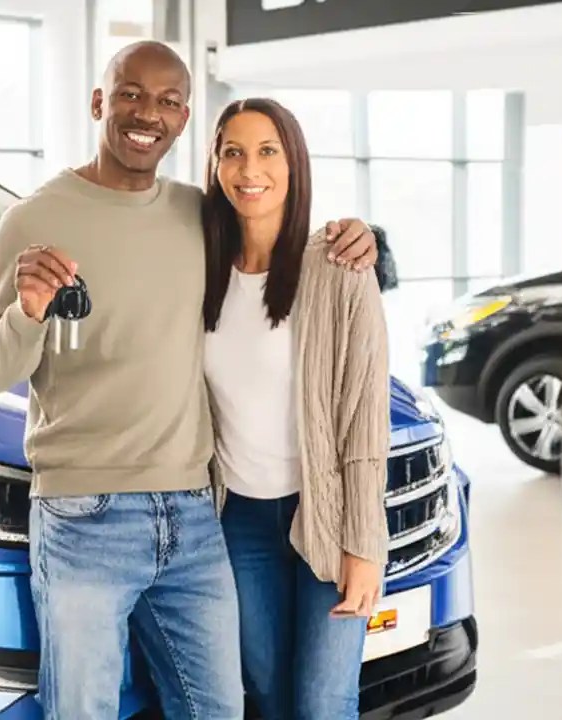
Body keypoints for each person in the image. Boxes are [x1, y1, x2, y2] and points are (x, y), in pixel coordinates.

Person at [0, 40, 378, 720]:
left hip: (194, 514)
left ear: (184, 118)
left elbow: (271, 229)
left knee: (220, 708)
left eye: (167, 100)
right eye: (130, 93)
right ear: (99, 101)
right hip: (83, 516)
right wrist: (28, 310)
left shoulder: (199, 215)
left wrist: (358, 235)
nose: (146, 114)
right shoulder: (32, 220)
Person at [201, 97, 390, 719]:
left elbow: (364, 418)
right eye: (233, 152)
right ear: (215, 165)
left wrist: (365, 545)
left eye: (267, 151)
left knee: (323, 702)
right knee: (269, 696)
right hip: (239, 524)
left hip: (328, 520)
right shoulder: (201, 271)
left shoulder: (339, 267)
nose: (248, 169)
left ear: (294, 163)